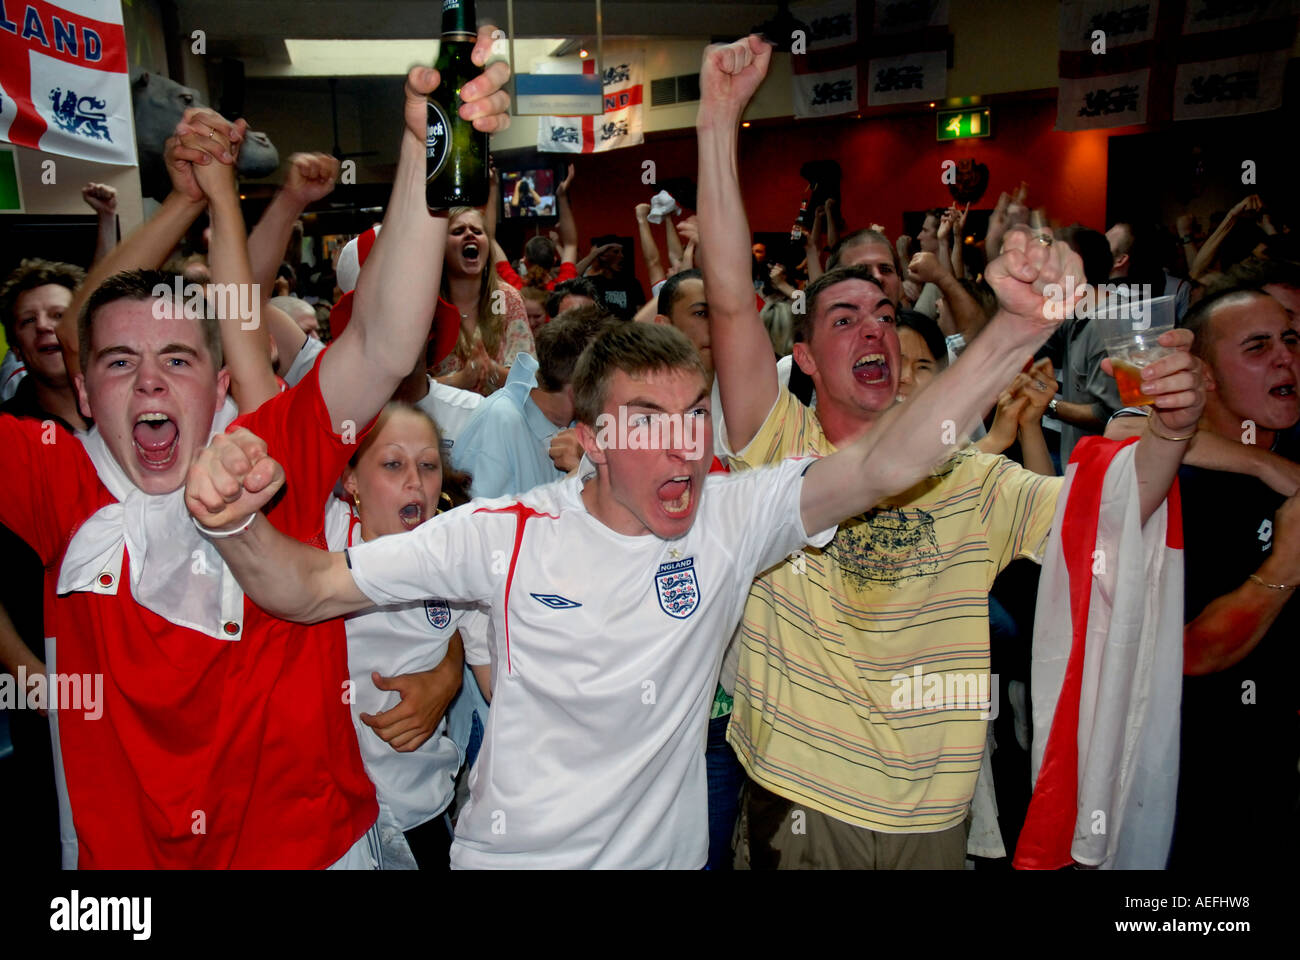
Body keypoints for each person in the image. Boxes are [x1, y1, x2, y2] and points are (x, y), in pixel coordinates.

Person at [0, 35, 512, 868]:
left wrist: (422, 149)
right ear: (85, 395)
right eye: (120, 367)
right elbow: (82, 320)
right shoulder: (54, 479)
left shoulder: (273, 452)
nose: (152, 386)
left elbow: (385, 344)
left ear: (220, 384)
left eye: (178, 361)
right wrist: (180, 205)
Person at [697, 34, 1204, 869]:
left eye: (886, 316)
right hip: (800, 799)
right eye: (844, 318)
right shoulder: (774, 451)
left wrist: (1172, 433)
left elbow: (1112, 512)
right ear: (808, 359)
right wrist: (719, 121)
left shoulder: (973, 478)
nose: (873, 329)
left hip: (934, 817)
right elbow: (725, 296)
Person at [1104, 287, 1299, 868]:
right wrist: (1285, 566)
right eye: (1258, 347)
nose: (1285, 358)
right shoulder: (1171, 492)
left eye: (1290, 340)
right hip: (1198, 781)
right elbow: (1191, 652)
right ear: (1205, 377)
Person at [330, 402, 488, 869]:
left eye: (428, 466)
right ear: (351, 479)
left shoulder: (457, 559)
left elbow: (503, 683)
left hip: (421, 813)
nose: (415, 482)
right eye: (393, 464)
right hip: (329, 824)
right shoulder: (320, 537)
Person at [432, 207, 535, 395]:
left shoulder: (507, 299)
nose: (470, 234)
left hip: (500, 418)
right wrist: (459, 380)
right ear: (440, 246)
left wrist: (492, 371)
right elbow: (408, 390)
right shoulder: (427, 305)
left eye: (477, 231)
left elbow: (529, 379)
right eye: (458, 231)